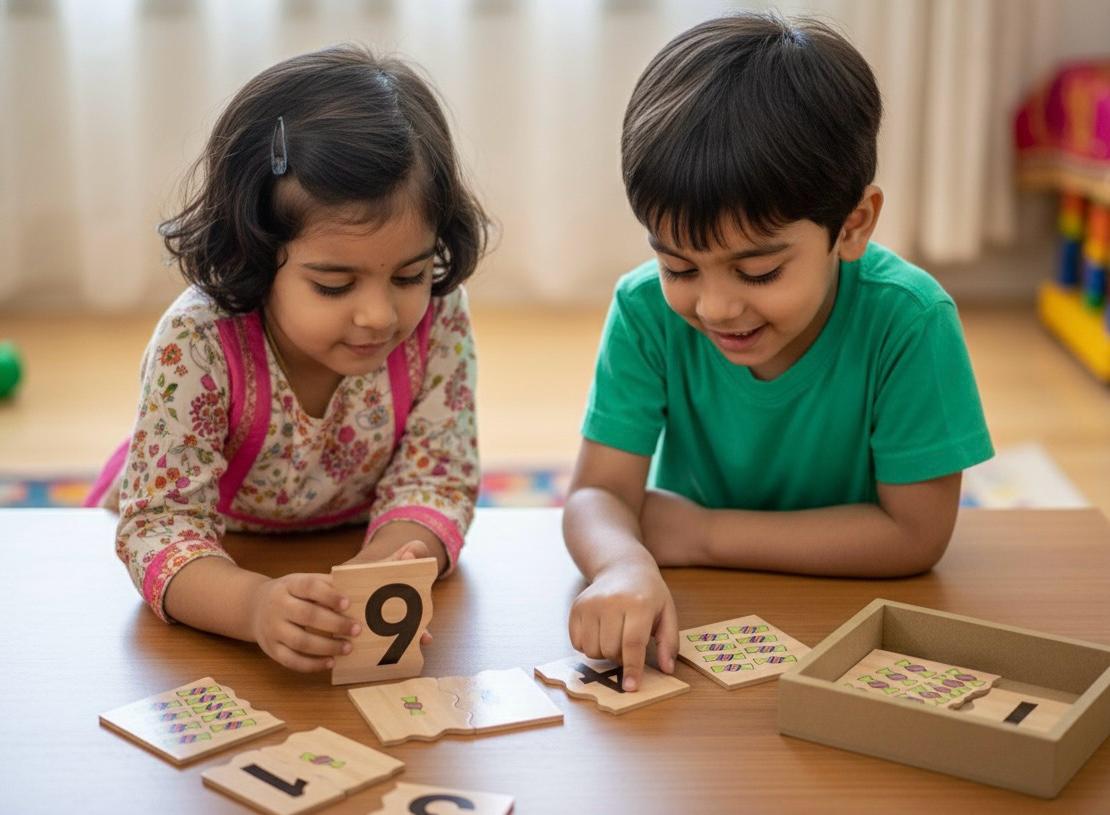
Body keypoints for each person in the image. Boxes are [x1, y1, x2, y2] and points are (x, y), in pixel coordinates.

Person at [564, 13, 994, 691]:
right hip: (694, 615)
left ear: (852, 224)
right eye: (679, 267)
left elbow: (916, 537)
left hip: (851, 619)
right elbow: (596, 493)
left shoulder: (910, 320)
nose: (716, 307)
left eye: (758, 273)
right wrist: (622, 563)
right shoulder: (645, 310)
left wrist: (703, 533)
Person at [87, 44, 487, 673]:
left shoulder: (439, 315)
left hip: (350, 535)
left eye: (409, 275)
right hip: (222, 553)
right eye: (334, 285)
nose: (380, 316)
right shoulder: (197, 343)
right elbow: (159, 527)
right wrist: (253, 605)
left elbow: (438, 477)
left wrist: (384, 566)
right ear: (253, 255)